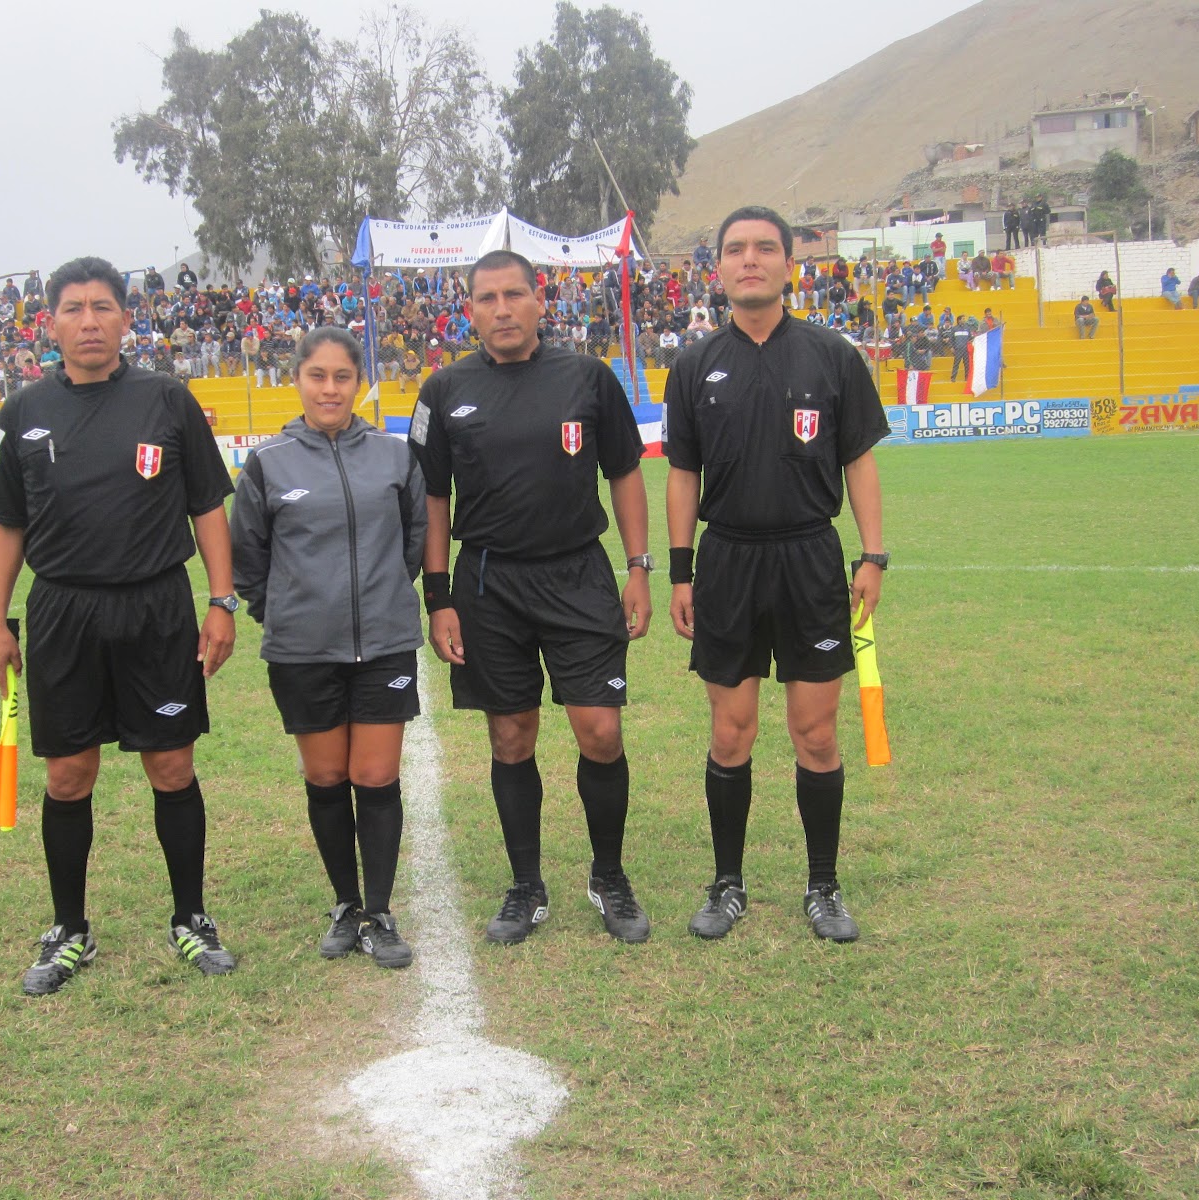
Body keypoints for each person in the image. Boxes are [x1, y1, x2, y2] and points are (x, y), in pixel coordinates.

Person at [0, 256, 240, 996]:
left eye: (102, 307)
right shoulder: (23, 413)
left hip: (156, 606)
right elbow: (7, 525)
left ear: (127, 317)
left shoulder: (167, 399)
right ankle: (70, 930)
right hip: (62, 610)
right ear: (51, 322)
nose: (88, 321)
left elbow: (207, 507)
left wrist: (221, 603)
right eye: (72, 308)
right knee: (68, 775)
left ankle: (190, 919)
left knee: (172, 767)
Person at [410, 250, 654, 946]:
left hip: (578, 573)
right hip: (487, 582)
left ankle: (608, 876)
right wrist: (438, 597)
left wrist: (638, 568)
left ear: (540, 300)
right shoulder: (444, 389)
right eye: (486, 298)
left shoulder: (587, 379)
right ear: (470, 310)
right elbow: (432, 497)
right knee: (510, 734)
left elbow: (626, 473)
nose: (502, 309)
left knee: (600, 732)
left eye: (514, 294)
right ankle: (526, 885)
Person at [664, 205, 889, 945]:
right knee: (731, 732)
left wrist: (873, 555)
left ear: (790, 264)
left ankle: (823, 887)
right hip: (726, 560)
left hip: (810, 560)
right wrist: (681, 573)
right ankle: (727, 884)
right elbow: (682, 473)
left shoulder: (832, 355)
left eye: (765, 248)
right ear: (719, 268)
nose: (750, 259)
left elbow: (858, 459)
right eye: (736, 249)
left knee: (815, 734)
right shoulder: (695, 364)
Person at [230, 328, 426, 969]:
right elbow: (248, 559)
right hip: (303, 650)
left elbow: (415, 541)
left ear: (359, 382)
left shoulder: (394, 456)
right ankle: (345, 904)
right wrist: (284, 609)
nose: (330, 388)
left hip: (383, 645)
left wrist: (381, 596)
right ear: (298, 380)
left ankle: (378, 910)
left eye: (342, 376)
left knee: (374, 776)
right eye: (317, 375)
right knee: (325, 776)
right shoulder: (268, 462)